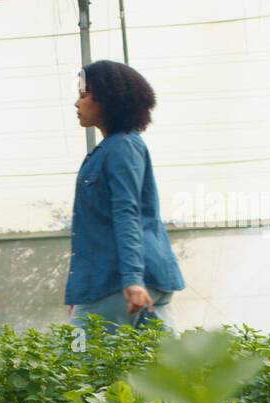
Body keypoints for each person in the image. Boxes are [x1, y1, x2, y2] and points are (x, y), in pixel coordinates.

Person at [67, 60, 184, 330]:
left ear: (107, 99)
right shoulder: (118, 148)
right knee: (160, 366)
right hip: (138, 279)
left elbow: (127, 213)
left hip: (118, 282)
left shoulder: (120, 148)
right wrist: (80, 292)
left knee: (74, 359)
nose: (77, 103)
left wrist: (132, 279)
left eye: (83, 95)